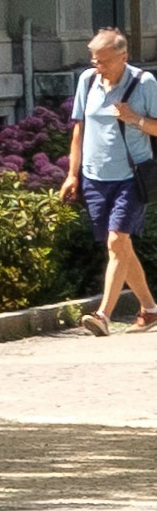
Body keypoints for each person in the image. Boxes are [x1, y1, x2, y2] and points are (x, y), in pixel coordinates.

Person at [71, 23, 157, 330]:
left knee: (117, 240)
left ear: (123, 56)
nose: (98, 66)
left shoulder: (144, 83)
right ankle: (149, 309)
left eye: (103, 60)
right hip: (95, 177)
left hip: (131, 175)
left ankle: (102, 316)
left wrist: (135, 118)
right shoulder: (87, 81)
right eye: (94, 59)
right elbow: (79, 129)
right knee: (121, 247)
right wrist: (72, 174)